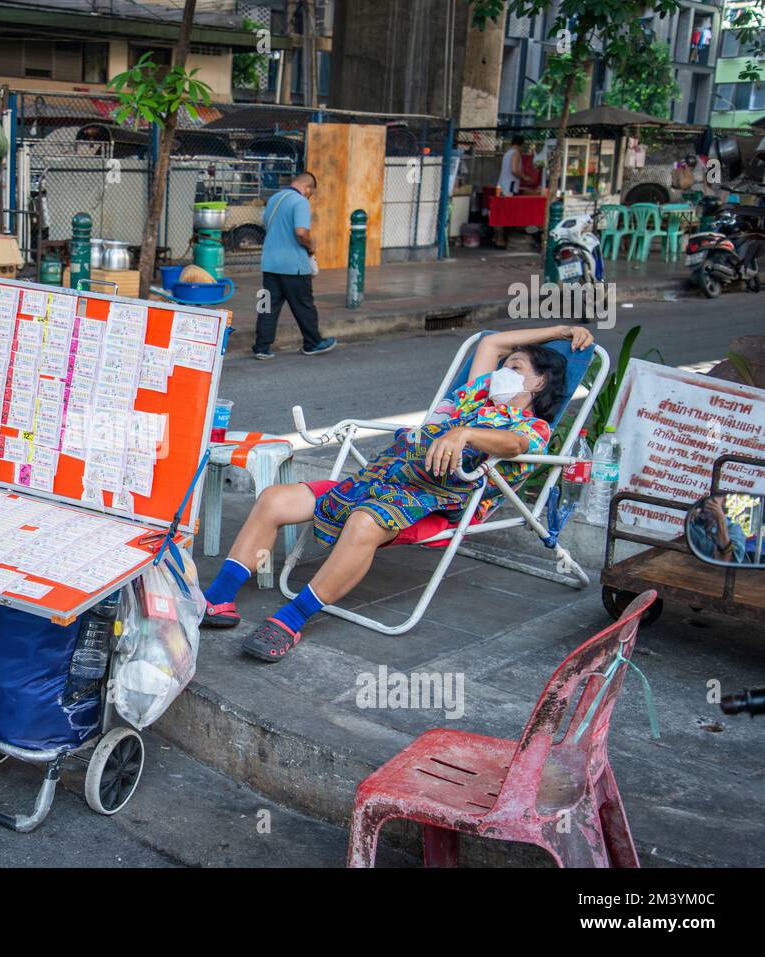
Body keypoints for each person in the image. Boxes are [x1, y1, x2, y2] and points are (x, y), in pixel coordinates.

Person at [201, 324, 593, 663]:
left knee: (364, 521)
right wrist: (559, 333)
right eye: (507, 365)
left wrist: (465, 433)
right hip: (379, 478)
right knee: (273, 499)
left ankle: (290, 620)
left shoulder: (532, 426)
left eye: (515, 368)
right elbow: (491, 344)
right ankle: (217, 599)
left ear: (539, 382)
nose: (502, 372)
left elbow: (512, 445)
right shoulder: (473, 395)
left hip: (435, 499)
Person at [253, 170, 336, 360]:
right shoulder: (300, 202)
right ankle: (313, 343)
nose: (309, 196)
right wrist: (311, 245)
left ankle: (261, 346)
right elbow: (300, 232)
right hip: (293, 266)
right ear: (307, 188)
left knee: (266, 306)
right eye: (311, 193)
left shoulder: (274, 199)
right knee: (304, 306)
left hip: (270, 264)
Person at [687, 495, 747, 563]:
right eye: (703, 503)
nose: (707, 505)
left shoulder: (733, 529)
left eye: (712, 502)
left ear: (724, 501)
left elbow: (727, 561)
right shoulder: (693, 524)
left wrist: (720, 519)